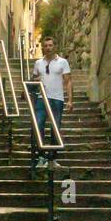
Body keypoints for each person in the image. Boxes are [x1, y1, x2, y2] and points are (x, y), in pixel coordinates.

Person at [30, 36, 72, 168]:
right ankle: (41, 156)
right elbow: (34, 79)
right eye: (46, 46)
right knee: (38, 125)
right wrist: (34, 82)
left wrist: (70, 100)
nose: (48, 48)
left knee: (55, 128)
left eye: (50, 45)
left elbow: (68, 81)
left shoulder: (63, 62)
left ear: (55, 47)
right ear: (43, 47)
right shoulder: (38, 63)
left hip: (57, 99)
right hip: (42, 98)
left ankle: (52, 158)